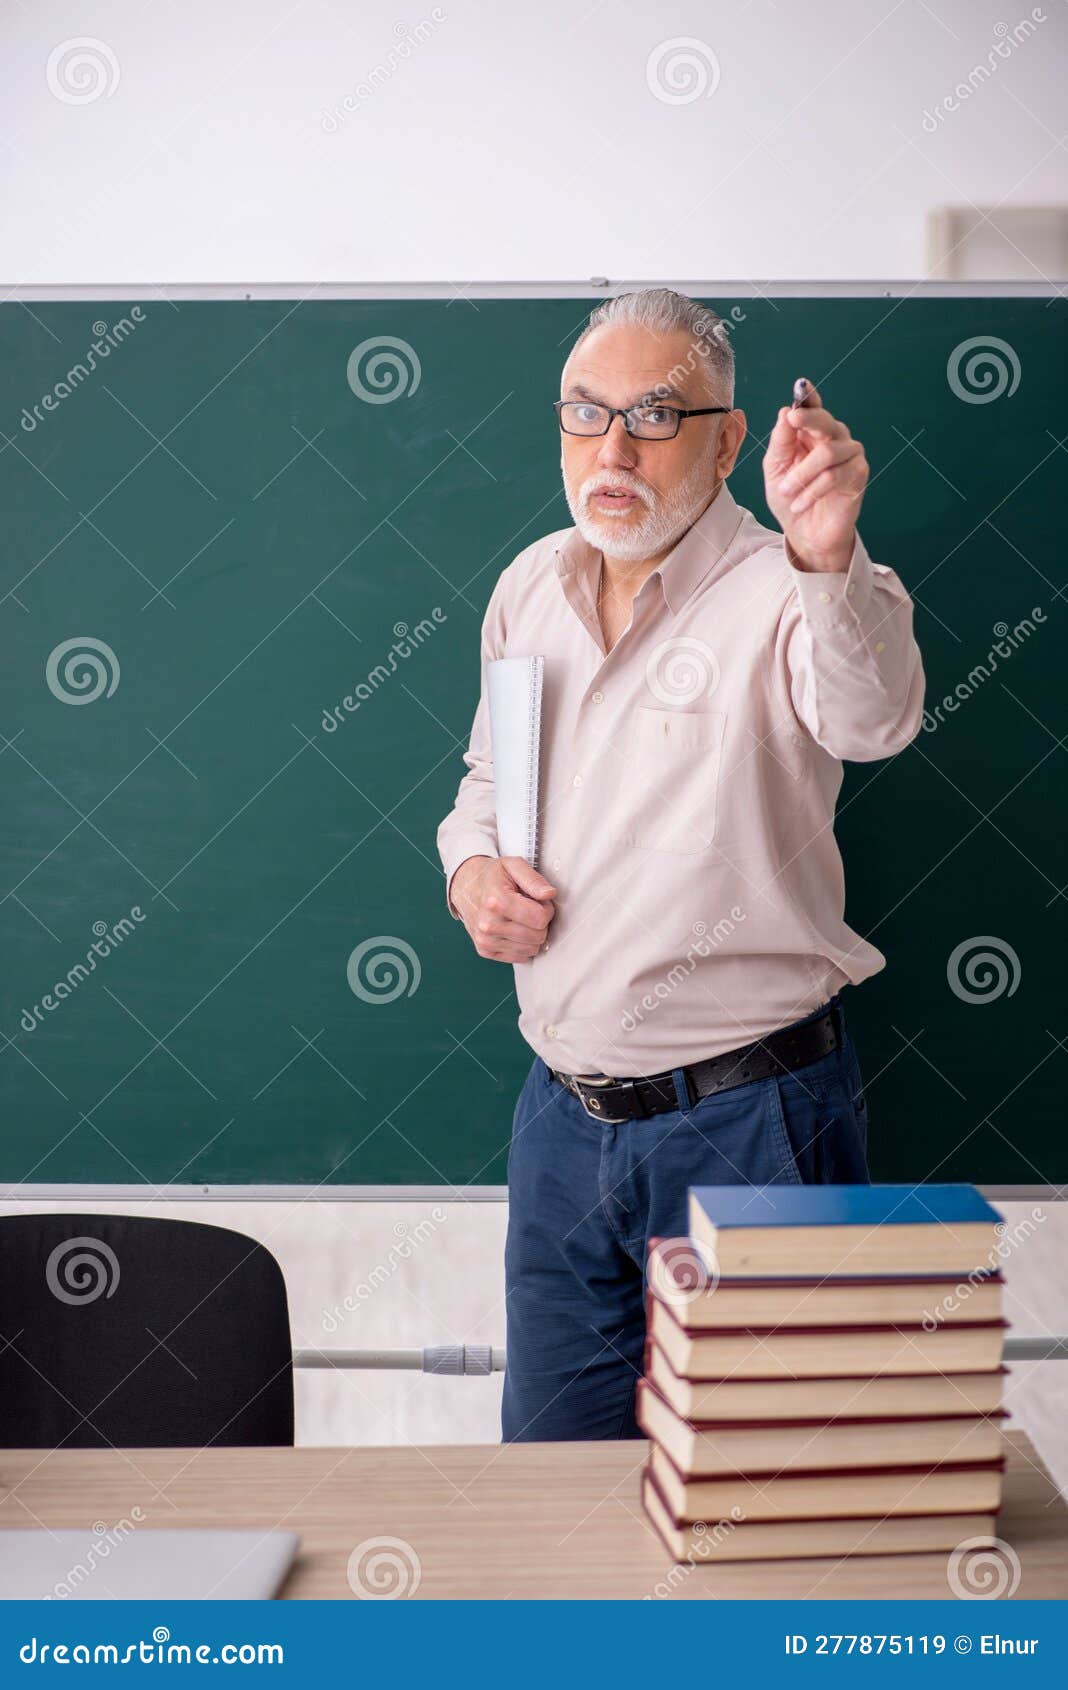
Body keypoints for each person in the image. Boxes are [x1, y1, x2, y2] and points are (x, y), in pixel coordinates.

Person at [437, 288, 925, 1442]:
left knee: (763, 1492)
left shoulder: (794, 587)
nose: (613, 450)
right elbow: (487, 783)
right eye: (586, 412)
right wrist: (471, 873)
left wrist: (828, 554)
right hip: (560, 1124)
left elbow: (875, 719)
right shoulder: (529, 586)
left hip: (752, 1123)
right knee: (553, 1491)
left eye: (655, 416)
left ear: (729, 439)